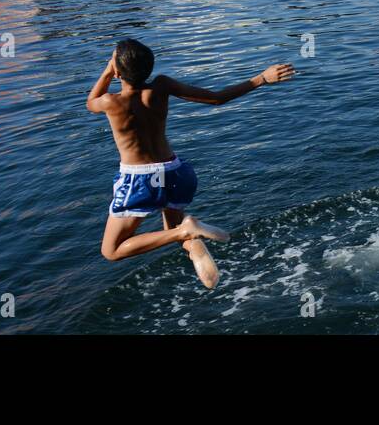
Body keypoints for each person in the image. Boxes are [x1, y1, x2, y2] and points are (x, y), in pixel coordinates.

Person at [87, 39, 296, 287]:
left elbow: (91, 102)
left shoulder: (112, 102)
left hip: (140, 180)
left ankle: (185, 232)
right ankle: (193, 244)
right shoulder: (162, 86)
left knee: (111, 251)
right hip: (176, 173)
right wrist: (261, 78)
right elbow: (216, 98)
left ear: (118, 71)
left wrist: (108, 71)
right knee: (173, 227)